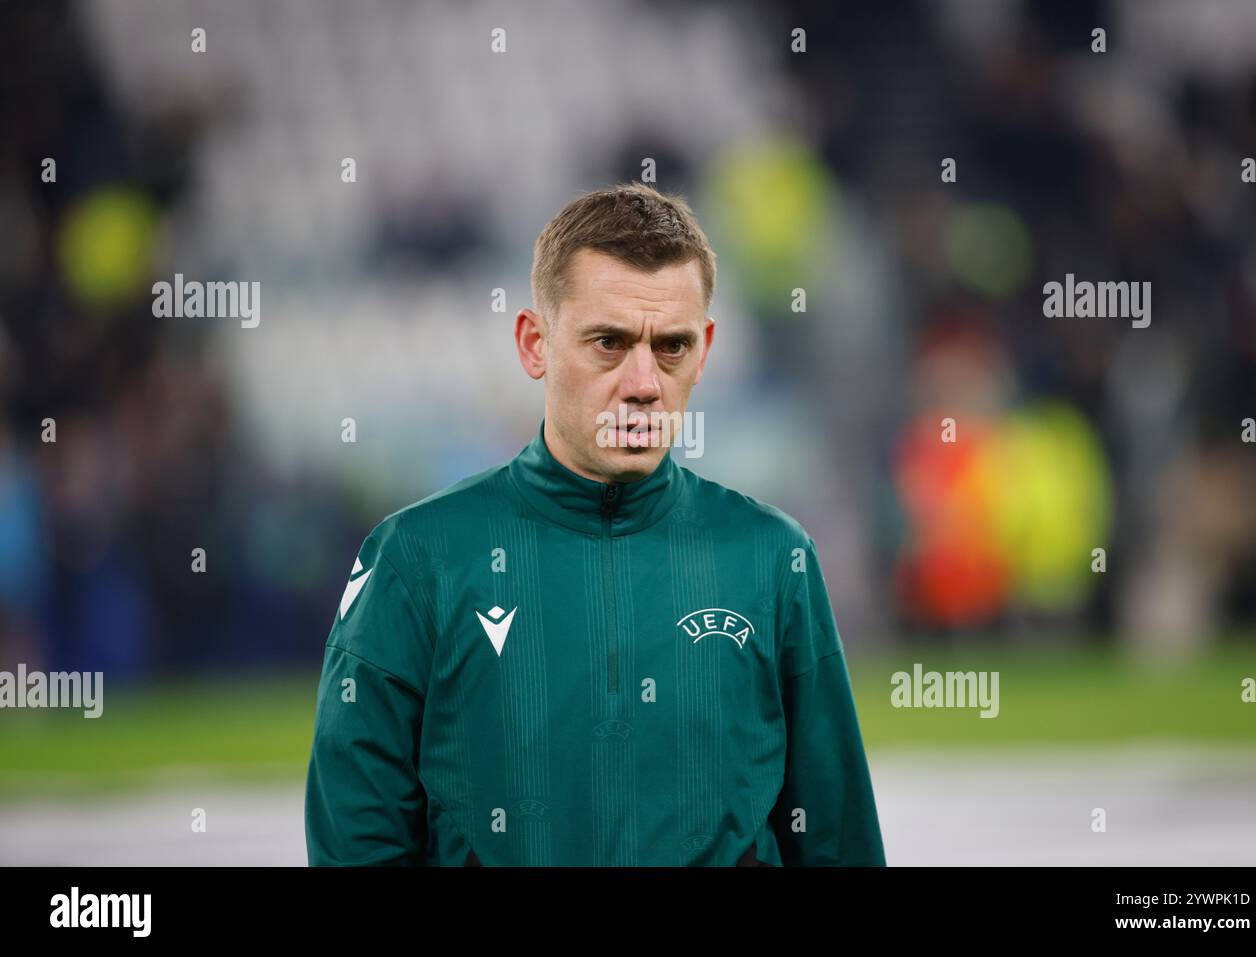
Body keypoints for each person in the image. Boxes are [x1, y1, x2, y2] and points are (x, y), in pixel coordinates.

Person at [304, 182, 886, 866]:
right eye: (608, 342)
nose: (643, 381)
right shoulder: (415, 558)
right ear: (534, 344)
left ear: (704, 351)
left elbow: (835, 838)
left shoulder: (773, 557)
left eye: (671, 346)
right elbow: (358, 840)